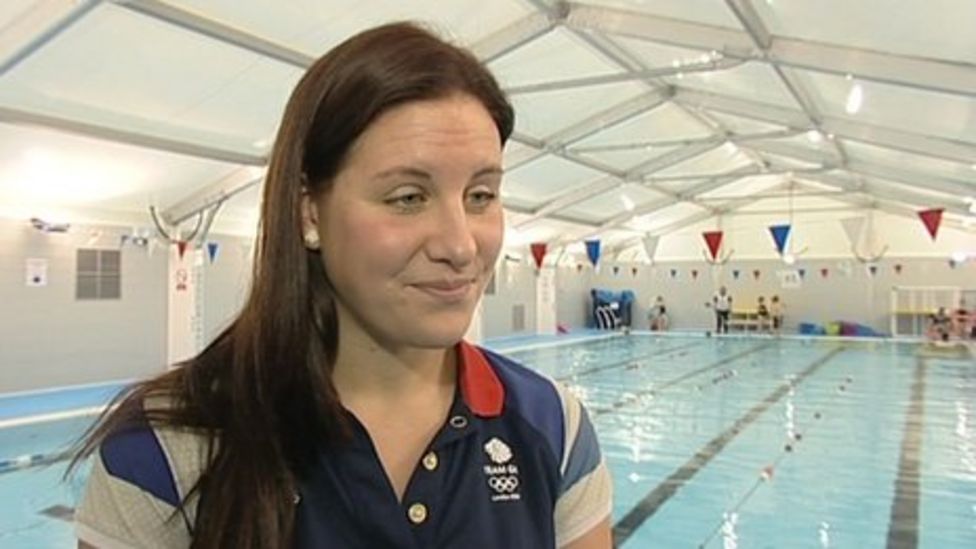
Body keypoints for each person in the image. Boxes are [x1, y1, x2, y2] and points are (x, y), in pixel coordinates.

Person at [70, 23, 612, 549]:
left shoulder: (552, 427)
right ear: (310, 213)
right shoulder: (170, 450)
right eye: (408, 197)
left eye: (480, 195)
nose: (461, 245)